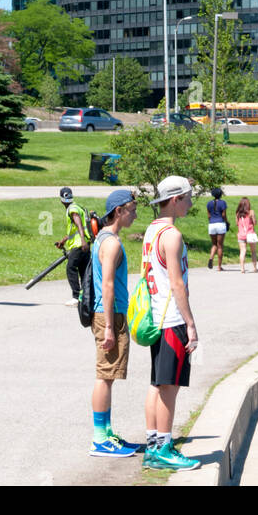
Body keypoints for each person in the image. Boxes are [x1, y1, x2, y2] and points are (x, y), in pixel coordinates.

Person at [141, 175, 201, 471]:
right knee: (170, 387)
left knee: (157, 383)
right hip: (172, 319)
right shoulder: (172, 235)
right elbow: (177, 284)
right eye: (188, 198)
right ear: (175, 200)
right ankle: (164, 447)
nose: (191, 203)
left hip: (155, 317)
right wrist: (190, 323)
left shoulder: (152, 230)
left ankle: (153, 444)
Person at [89, 187, 139, 458]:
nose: (135, 215)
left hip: (113, 313)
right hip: (109, 315)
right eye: (131, 210)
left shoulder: (104, 239)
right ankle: (99, 438)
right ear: (118, 211)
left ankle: (107, 432)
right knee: (105, 376)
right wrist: (109, 326)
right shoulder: (111, 243)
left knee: (108, 375)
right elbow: (107, 285)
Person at [56, 187, 91, 302]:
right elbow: (73, 230)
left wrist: (82, 240)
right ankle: (86, 296)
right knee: (83, 270)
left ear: (61, 200)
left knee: (71, 268)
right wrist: (63, 241)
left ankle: (76, 297)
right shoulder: (76, 207)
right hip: (84, 243)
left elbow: (79, 224)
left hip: (79, 244)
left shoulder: (72, 209)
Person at [206, 185, 229, 271]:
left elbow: (208, 216)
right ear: (220, 194)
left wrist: (212, 221)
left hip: (211, 224)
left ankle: (211, 258)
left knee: (214, 244)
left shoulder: (209, 203)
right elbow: (223, 215)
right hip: (220, 224)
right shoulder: (223, 203)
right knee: (220, 246)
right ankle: (219, 266)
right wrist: (226, 222)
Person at [236, 196, 258, 273]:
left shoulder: (238, 213)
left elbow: (237, 224)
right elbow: (255, 223)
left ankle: (242, 268)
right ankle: (255, 268)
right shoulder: (251, 212)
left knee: (242, 251)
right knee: (253, 252)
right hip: (250, 234)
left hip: (241, 234)